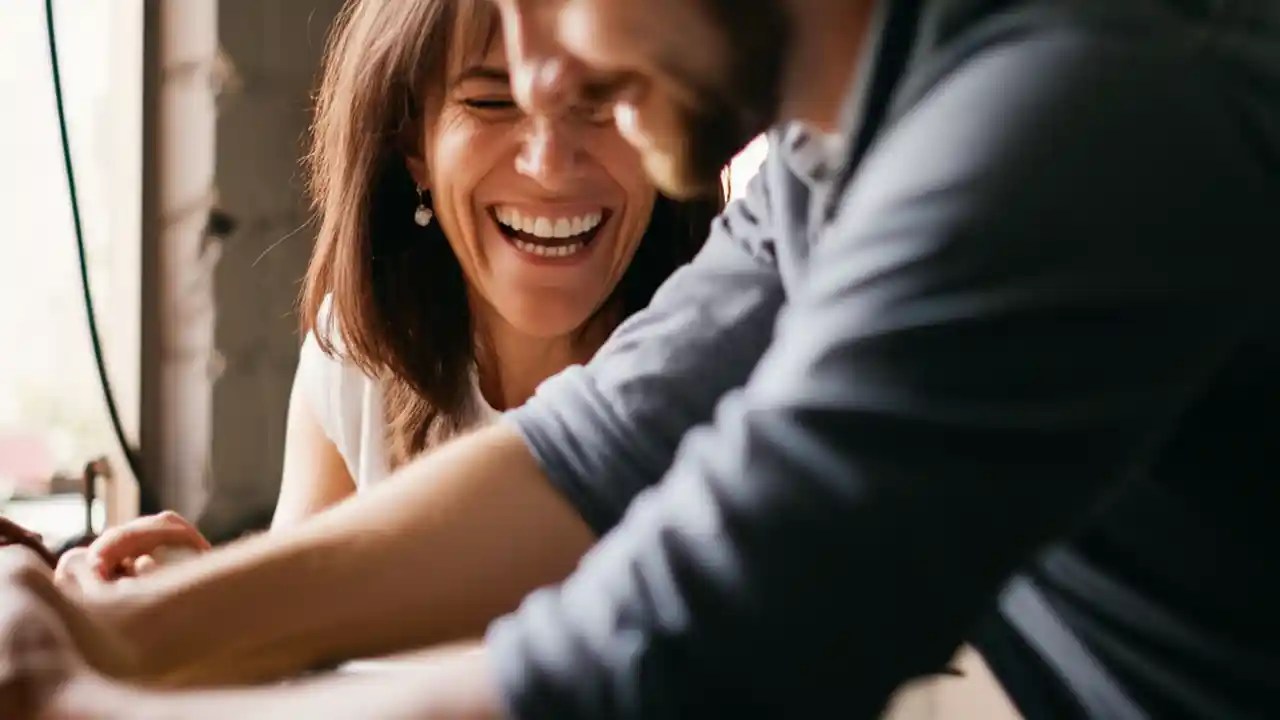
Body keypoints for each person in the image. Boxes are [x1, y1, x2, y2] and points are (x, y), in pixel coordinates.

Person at [2, 0, 1278, 717]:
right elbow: (583, 456)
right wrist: (117, 628)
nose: (556, 74)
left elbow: (670, 654)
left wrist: (88, 703)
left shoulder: (1064, 121)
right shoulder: (839, 159)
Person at [52, 0, 719, 589]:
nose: (549, 164)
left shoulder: (735, 389)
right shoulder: (362, 353)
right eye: (491, 101)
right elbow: (295, 647)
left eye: (599, 99)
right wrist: (186, 602)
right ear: (413, 142)